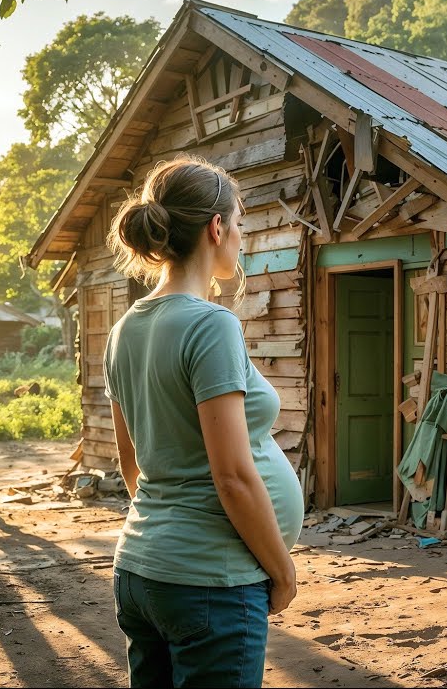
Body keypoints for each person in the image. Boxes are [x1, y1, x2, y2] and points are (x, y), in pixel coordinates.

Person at [104, 156, 303, 688]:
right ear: (216, 228)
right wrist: (282, 571)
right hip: (210, 585)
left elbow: (134, 469)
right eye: (239, 223)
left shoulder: (124, 330)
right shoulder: (211, 325)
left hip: (142, 570)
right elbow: (233, 477)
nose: (241, 236)